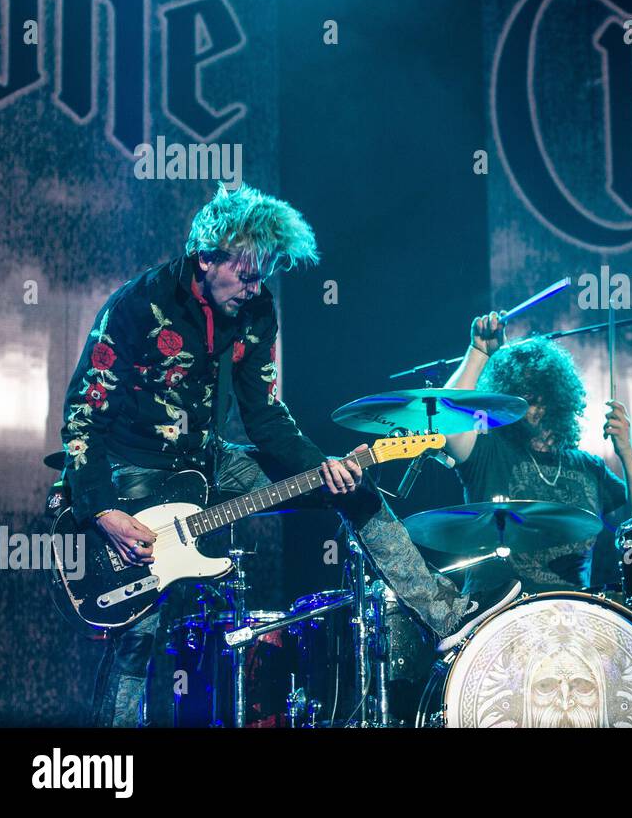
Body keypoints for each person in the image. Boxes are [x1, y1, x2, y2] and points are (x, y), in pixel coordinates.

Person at [60, 185, 516, 727]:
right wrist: (103, 510)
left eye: (265, 276)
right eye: (248, 274)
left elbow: (267, 417)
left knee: (352, 489)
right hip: (133, 471)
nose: (256, 288)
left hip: (208, 461)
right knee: (137, 635)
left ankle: (446, 619)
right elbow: (82, 417)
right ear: (207, 257)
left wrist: (322, 466)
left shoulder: (257, 312)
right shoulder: (137, 306)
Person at [440, 311, 632, 598]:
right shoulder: (490, 448)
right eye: (522, 397)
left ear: (556, 399)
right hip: (497, 614)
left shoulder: (588, 467)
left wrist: (627, 453)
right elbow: (444, 420)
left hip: (573, 617)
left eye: (537, 396)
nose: (532, 406)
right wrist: (479, 353)